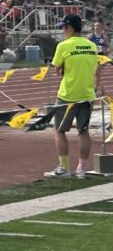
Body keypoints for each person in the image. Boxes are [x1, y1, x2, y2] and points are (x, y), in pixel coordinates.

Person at [46, 14, 101, 180]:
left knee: (59, 130)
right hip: (87, 94)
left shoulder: (64, 46)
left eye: (63, 27)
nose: (62, 30)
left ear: (69, 28)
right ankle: (82, 170)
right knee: (83, 131)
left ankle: (64, 168)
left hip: (67, 94)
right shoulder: (92, 46)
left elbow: (57, 69)